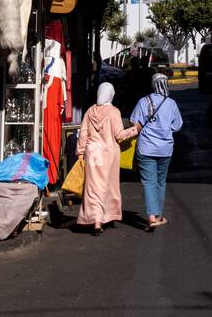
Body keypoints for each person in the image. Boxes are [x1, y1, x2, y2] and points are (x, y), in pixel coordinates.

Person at [76, 82, 138, 234]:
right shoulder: (114, 112)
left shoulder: (90, 111)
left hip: (92, 153)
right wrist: (135, 129)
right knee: (108, 186)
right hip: (109, 154)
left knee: (93, 187)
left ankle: (96, 220)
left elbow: (83, 133)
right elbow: (119, 135)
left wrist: (81, 152)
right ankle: (107, 216)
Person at [130, 74, 183, 230]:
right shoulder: (171, 103)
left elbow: (135, 122)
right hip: (165, 149)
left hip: (146, 147)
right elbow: (177, 125)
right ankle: (158, 215)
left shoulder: (143, 101)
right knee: (161, 182)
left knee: (148, 182)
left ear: (153, 85)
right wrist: (165, 129)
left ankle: (152, 217)